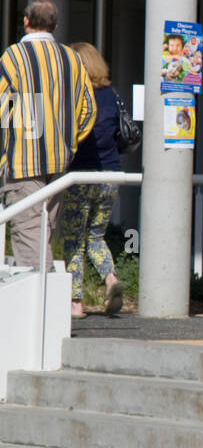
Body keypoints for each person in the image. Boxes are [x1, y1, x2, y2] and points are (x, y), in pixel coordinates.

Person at [0, 0, 95, 270]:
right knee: (44, 232)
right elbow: (87, 109)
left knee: (29, 236)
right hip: (60, 162)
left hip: (23, 162)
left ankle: (39, 309)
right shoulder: (72, 58)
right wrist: (68, 141)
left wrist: (26, 131)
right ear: (55, 25)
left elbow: (3, 104)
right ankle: (47, 303)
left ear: (26, 21)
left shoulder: (13, 56)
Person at [57, 42, 125, 318]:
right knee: (96, 236)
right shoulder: (111, 94)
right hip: (111, 175)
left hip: (80, 175)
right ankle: (111, 280)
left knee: (74, 238)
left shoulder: (75, 95)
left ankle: (75, 303)